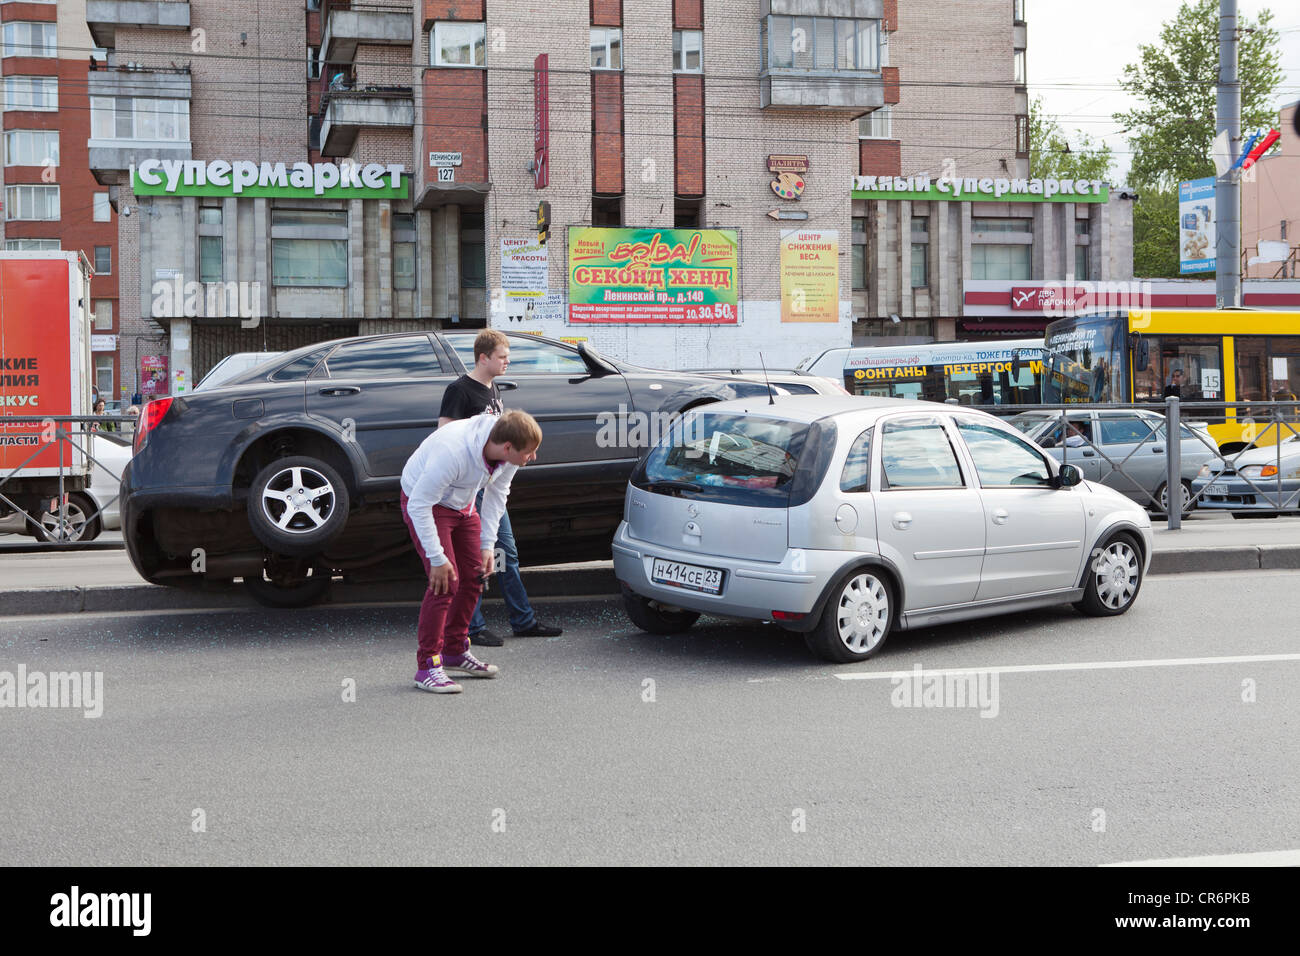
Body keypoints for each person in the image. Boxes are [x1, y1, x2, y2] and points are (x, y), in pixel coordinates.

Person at [400, 408, 543, 694]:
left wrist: (487, 545)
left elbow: (496, 495)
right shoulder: (452, 451)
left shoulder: (508, 453)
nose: (533, 457)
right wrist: (437, 558)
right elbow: (418, 504)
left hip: (463, 505)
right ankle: (427, 666)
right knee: (445, 582)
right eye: (529, 452)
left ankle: (454, 651)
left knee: (476, 574)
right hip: (426, 503)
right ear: (507, 447)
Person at [438, 328, 562, 646]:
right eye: (502, 357)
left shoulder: (493, 390)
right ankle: (472, 626)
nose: (508, 362)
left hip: (493, 486)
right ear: (484, 358)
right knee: (476, 557)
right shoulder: (460, 390)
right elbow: (445, 436)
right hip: (471, 487)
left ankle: (523, 620)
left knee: (505, 553)